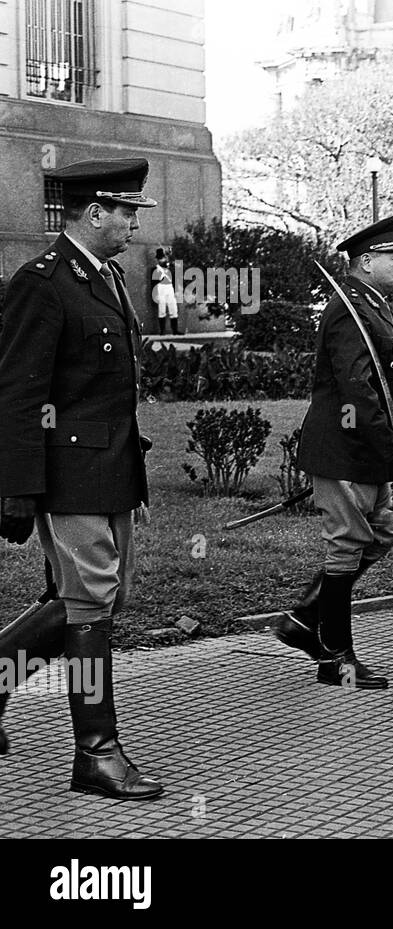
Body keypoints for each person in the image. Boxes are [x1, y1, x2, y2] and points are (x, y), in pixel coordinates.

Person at [0, 158, 162, 799]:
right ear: (94, 212)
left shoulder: (106, 277)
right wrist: (14, 486)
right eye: (126, 212)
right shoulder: (43, 283)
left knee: (97, 598)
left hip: (112, 468)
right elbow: (17, 392)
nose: (132, 224)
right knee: (90, 604)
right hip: (67, 472)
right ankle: (96, 752)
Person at [277, 214, 393, 691]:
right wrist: (391, 447)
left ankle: (305, 621)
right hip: (346, 448)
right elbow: (357, 389)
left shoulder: (372, 303)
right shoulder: (349, 309)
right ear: (366, 261)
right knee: (348, 545)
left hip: (362, 451)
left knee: (379, 535)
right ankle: (335, 659)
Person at [151, 248, 181, 336]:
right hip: (160, 289)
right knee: (162, 310)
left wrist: (176, 290)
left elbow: (174, 279)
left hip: (170, 288)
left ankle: (175, 330)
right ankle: (162, 331)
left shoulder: (169, 268)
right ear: (158, 260)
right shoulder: (155, 269)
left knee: (173, 309)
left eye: (163, 258)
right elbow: (153, 284)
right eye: (160, 259)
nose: (162, 260)